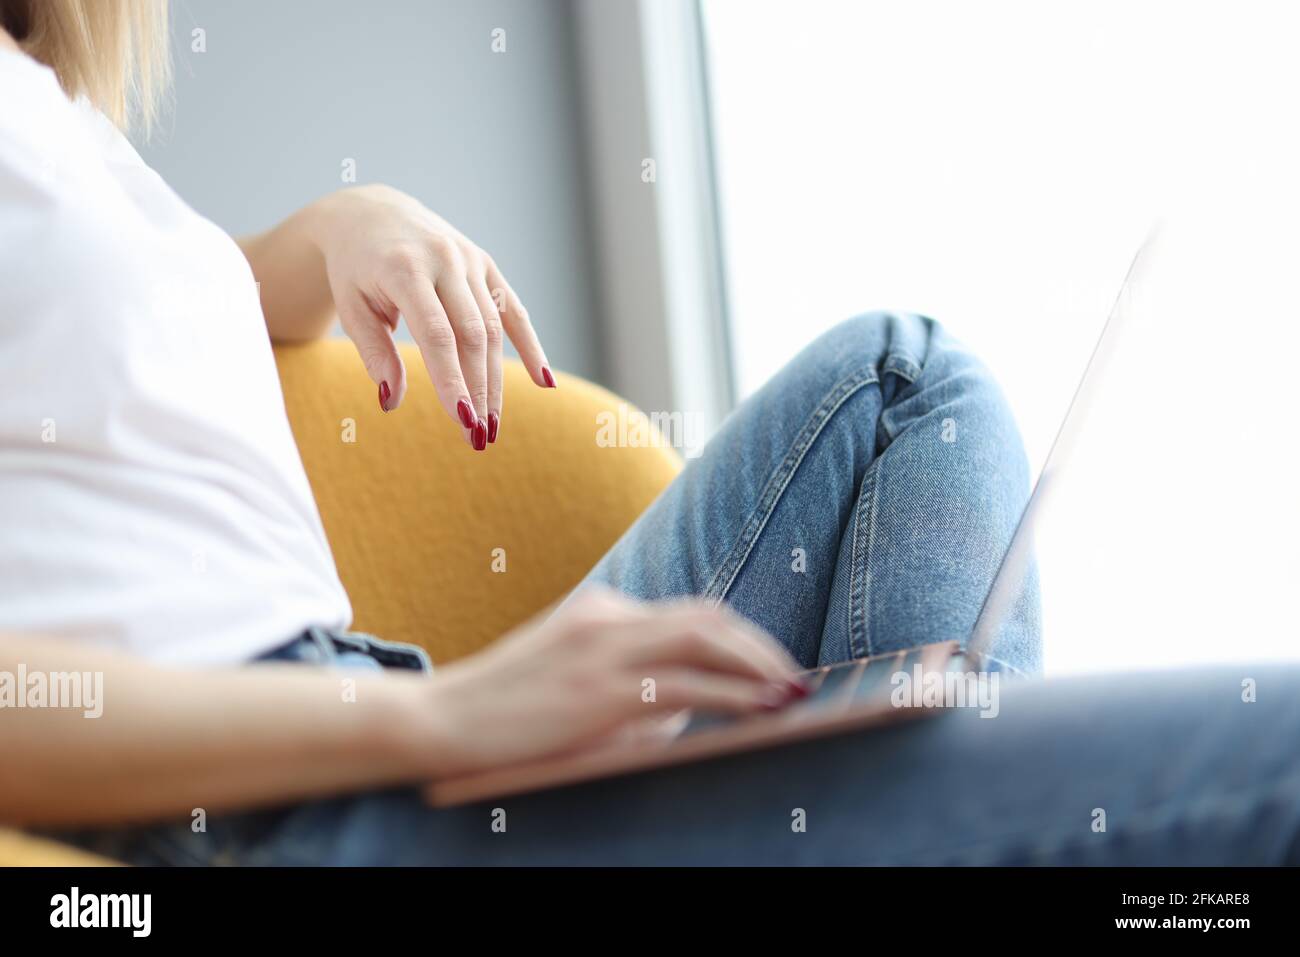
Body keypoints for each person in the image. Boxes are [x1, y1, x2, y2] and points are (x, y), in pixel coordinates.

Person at [2, 1, 1297, 865]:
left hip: (358, 733)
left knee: (902, 385)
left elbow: (125, 324)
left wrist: (340, 228)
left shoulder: (47, 110)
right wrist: (443, 719)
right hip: (278, 810)